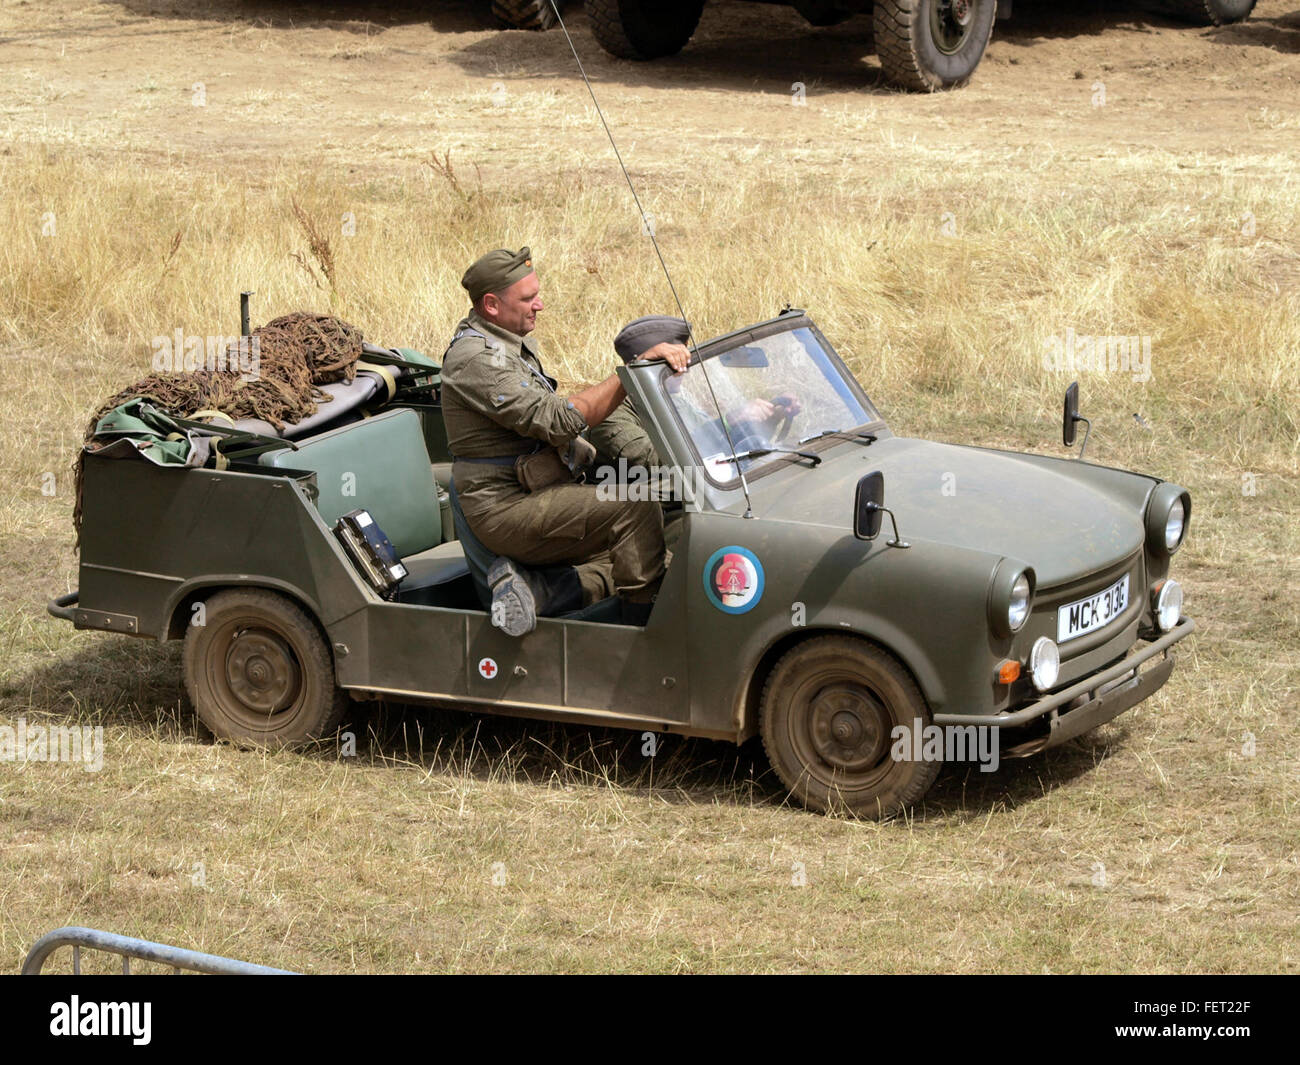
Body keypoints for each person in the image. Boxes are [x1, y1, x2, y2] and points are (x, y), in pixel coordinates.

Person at [441, 247, 690, 635]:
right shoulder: (476, 359)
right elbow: (557, 421)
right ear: (490, 304)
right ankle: (646, 635)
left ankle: (543, 592)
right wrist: (632, 372)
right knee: (634, 510)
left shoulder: (508, 344)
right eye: (527, 299)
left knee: (654, 547)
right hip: (505, 507)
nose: (539, 305)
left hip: (538, 489)